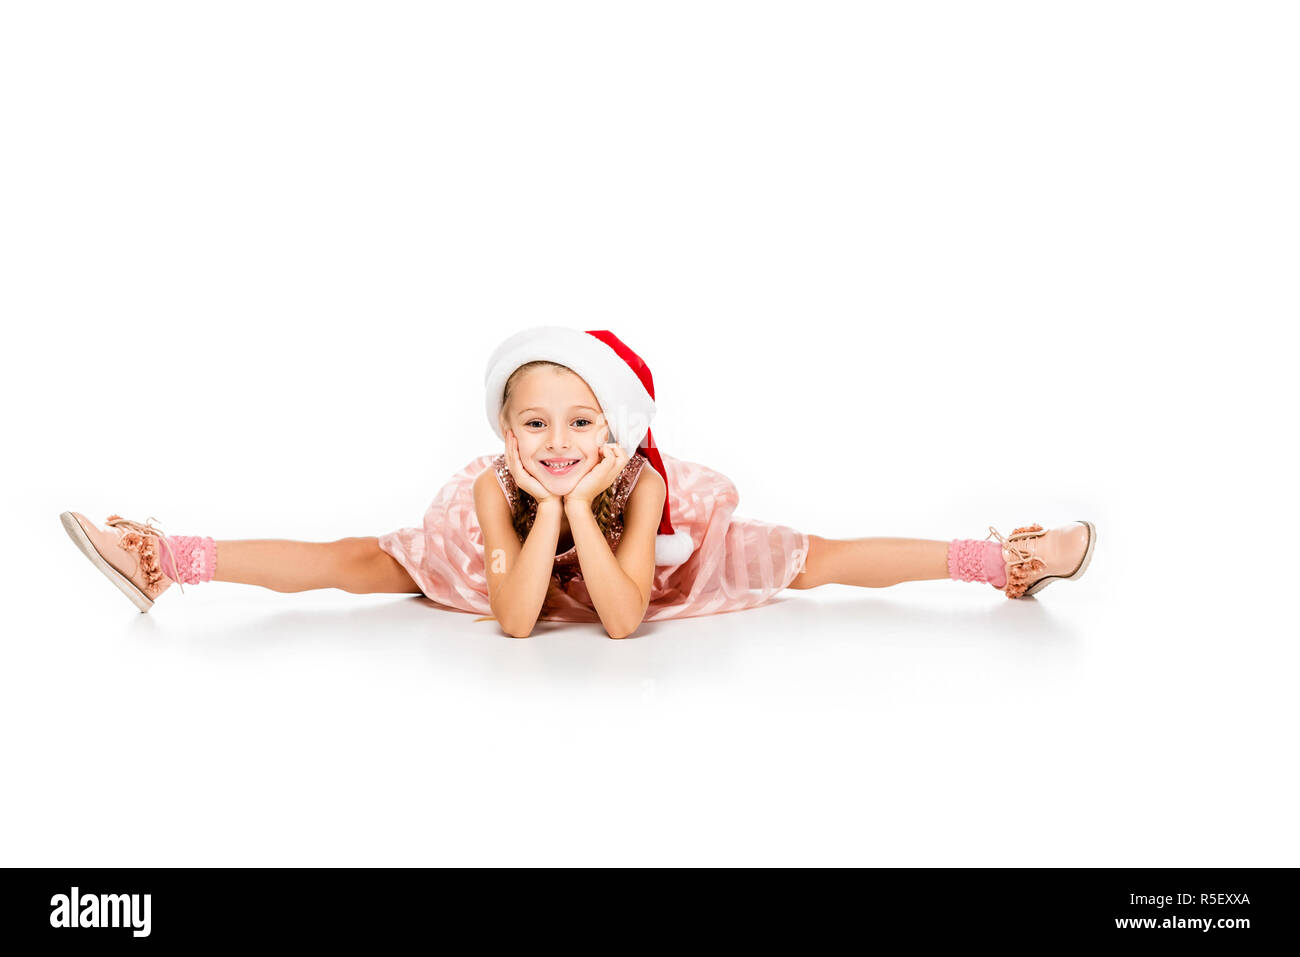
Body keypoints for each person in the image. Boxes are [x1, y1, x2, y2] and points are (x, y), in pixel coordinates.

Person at [60, 326, 1096, 638]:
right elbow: (517, 622)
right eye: (534, 424)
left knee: (815, 557)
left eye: (579, 424)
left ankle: (998, 563)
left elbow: (619, 618)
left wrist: (583, 510)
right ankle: (168, 561)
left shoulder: (650, 486)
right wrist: (541, 505)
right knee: (353, 561)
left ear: (618, 427)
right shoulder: (485, 490)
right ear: (504, 430)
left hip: (645, 565)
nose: (557, 441)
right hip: (507, 561)